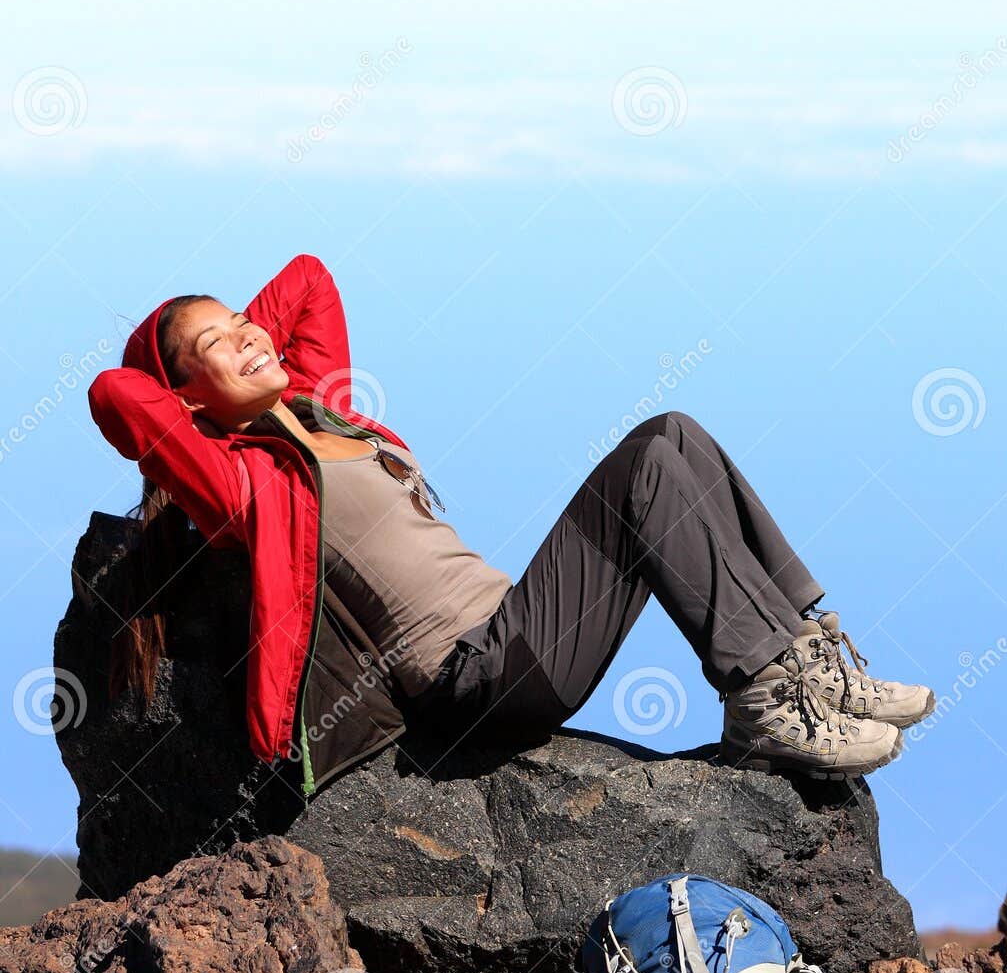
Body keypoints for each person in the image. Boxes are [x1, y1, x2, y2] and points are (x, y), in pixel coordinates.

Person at [87, 254, 933, 800]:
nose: (250, 336)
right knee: (643, 472)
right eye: (218, 344)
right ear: (187, 401)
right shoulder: (243, 481)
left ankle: (806, 666)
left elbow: (310, 279)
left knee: (672, 434)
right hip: (475, 681)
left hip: (516, 630)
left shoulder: (326, 416)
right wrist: (194, 375)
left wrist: (231, 342)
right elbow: (117, 395)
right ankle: (761, 701)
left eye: (246, 322)